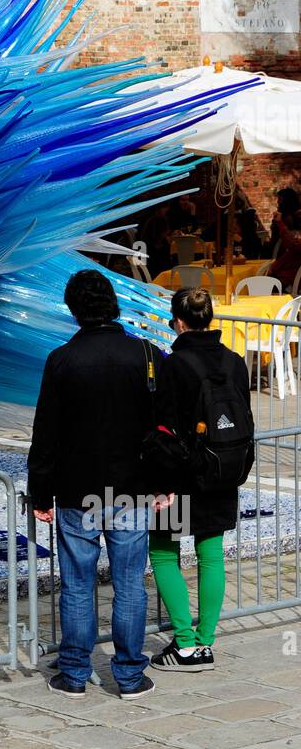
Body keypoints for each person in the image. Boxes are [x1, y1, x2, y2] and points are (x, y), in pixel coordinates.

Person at [27, 269, 167, 699]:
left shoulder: (62, 361)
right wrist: (165, 484)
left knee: (77, 584)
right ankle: (128, 674)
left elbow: (46, 432)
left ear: (73, 310)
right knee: (128, 583)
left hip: (77, 491)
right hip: (132, 489)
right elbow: (166, 428)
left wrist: (40, 492)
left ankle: (73, 673)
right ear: (114, 304)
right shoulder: (146, 354)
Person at [149, 288, 254, 671]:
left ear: (178, 322)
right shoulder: (234, 361)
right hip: (225, 468)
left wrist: (163, 483)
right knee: (211, 555)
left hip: (182, 472)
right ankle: (206, 641)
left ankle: (185, 644)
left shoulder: (173, 365)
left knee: (163, 551)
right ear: (209, 318)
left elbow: (165, 428)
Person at [268, 187, 301, 292]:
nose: (278, 203)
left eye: (280, 200)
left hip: (289, 276)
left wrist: (280, 224)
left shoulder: (294, 220)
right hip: (284, 269)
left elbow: (292, 246)